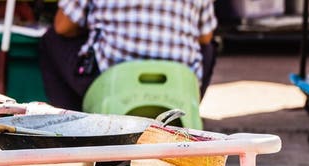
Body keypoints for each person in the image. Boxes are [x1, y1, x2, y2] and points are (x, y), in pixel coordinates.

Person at [39, 0, 218, 111]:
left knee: (51, 40)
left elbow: (63, 26)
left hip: (111, 78)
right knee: (208, 48)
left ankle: (75, 128)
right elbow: (205, 36)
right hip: (178, 81)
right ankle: (187, 109)